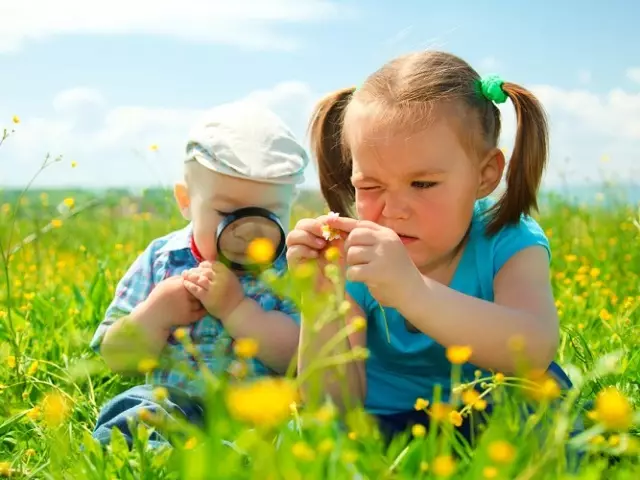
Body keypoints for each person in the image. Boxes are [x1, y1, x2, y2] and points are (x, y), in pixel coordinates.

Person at [286, 50, 581, 445]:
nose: (393, 212)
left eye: (422, 184)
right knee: (303, 439)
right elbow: (332, 406)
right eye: (370, 187)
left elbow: (534, 351)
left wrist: (412, 292)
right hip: (384, 423)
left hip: (496, 417)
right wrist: (320, 298)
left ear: (484, 175)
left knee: (552, 413)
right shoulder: (354, 257)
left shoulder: (509, 239)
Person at [90, 100, 309, 448]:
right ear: (186, 200)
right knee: (136, 407)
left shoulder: (292, 266)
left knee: (300, 429)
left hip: (261, 411)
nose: (248, 230)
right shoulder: (162, 259)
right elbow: (116, 356)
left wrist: (237, 310)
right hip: (173, 403)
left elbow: (301, 359)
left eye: (270, 213)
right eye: (226, 211)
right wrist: (156, 312)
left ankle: (241, 463)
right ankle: (154, 459)